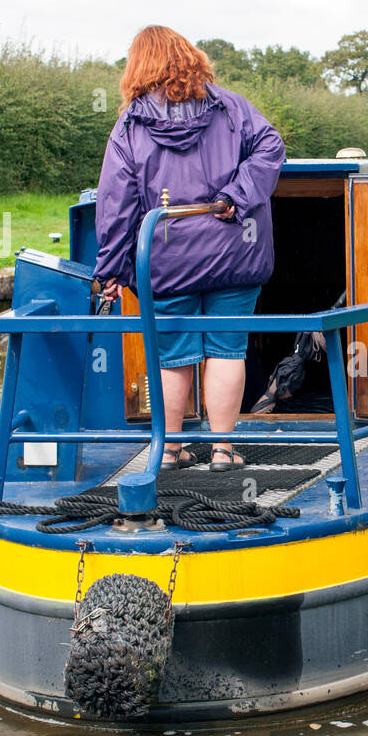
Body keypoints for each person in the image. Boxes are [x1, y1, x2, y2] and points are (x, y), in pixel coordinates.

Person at [93, 26, 285, 471]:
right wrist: (236, 196)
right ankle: (222, 451)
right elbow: (270, 147)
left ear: (138, 67)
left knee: (172, 356)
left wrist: (111, 270)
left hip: (166, 261)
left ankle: (172, 450)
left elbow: (115, 204)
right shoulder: (231, 107)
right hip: (234, 254)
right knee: (227, 350)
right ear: (189, 57)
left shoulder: (130, 125)